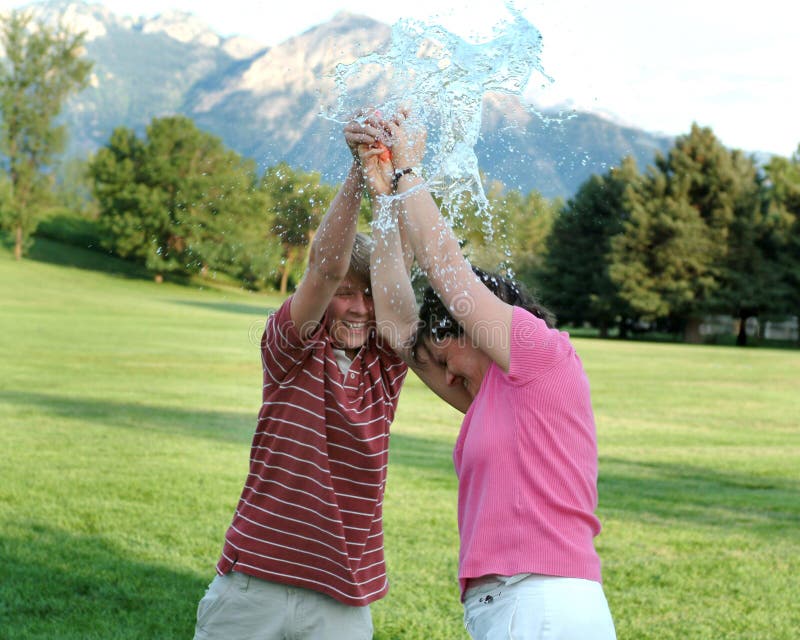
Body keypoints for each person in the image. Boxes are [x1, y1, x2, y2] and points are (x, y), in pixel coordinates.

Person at [361, 111, 617, 640]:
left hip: (543, 602)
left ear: (469, 330)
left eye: (444, 352)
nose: (444, 373)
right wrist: (382, 194)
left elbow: (446, 268)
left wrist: (409, 167)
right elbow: (394, 322)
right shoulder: (487, 400)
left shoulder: (539, 355)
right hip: (510, 607)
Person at [192, 115, 409, 640]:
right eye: (346, 293)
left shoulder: (387, 365)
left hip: (341, 598)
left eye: (368, 295)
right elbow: (325, 268)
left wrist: (388, 187)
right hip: (253, 586)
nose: (358, 308)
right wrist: (359, 175)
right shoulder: (291, 349)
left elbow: (396, 287)